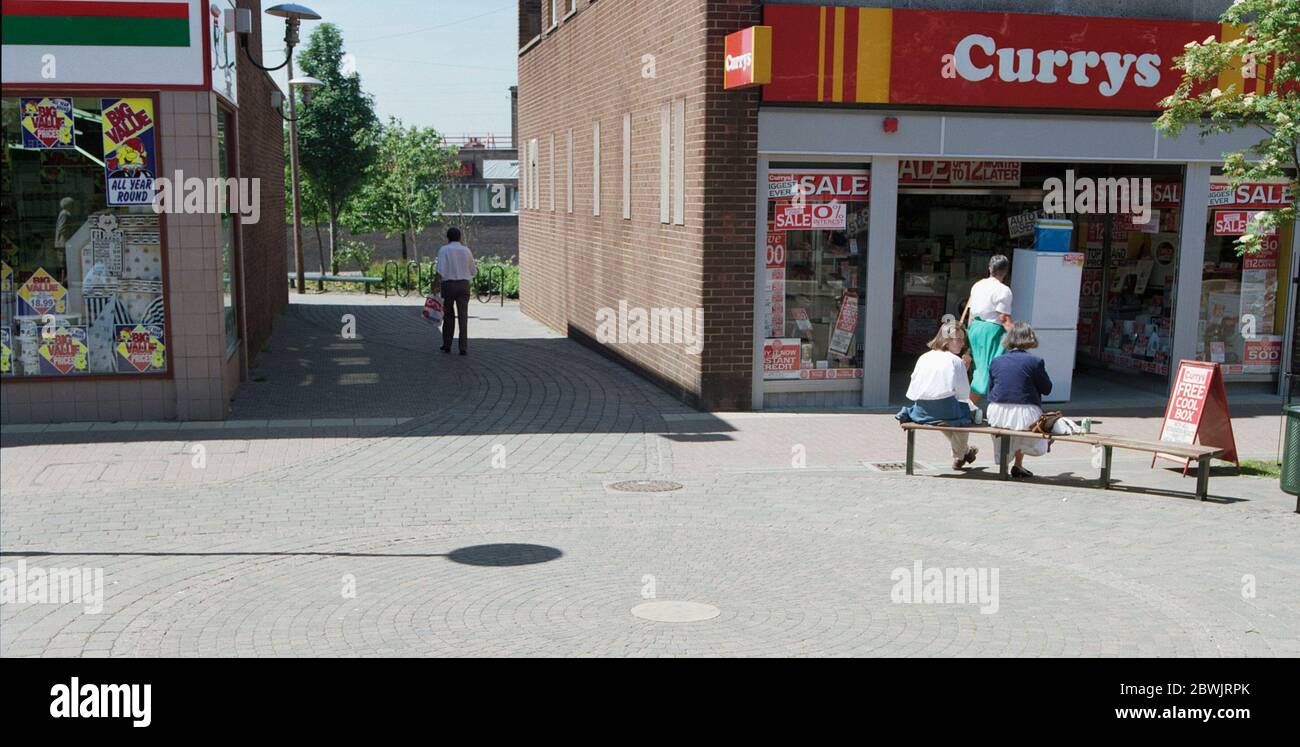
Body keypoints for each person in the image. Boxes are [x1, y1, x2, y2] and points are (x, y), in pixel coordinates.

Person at [896, 320, 979, 471]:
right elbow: (963, 394)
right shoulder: (955, 361)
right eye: (958, 339)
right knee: (964, 415)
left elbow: (913, 388)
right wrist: (963, 371)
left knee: (946, 416)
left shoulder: (924, 357)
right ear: (946, 341)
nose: (962, 343)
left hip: (921, 410)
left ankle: (964, 452)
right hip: (944, 410)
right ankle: (961, 454)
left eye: (962, 339)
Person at [985, 322, 1053, 479]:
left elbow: (991, 390)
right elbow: (1047, 389)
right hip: (1026, 413)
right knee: (1024, 422)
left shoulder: (996, 361)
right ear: (1030, 338)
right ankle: (1018, 464)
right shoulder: (1035, 361)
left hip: (996, 411)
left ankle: (1013, 465)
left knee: (1012, 425)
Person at [963, 254, 1014, 403]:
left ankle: (972, 406)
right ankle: (968, 407)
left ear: (989, 268)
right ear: (1006, 272)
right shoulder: (1004, 290)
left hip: (975, 328)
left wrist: (969, 331)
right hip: (992, 331)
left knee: (980, 369)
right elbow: (1003, 317)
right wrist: (1017, 335)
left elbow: (971, 313)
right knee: (987, 372)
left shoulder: (978, 285)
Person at [434, 227, 475, 355]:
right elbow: (473, 271)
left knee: (448, 315)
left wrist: (435, 285)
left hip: (448, 285)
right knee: (463, 316)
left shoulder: (444, 250)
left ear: (448, 237)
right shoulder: (466, 250)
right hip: (463, 285)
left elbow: (440, 269)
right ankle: (463, 347)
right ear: (460, 237)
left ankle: (447, 344)